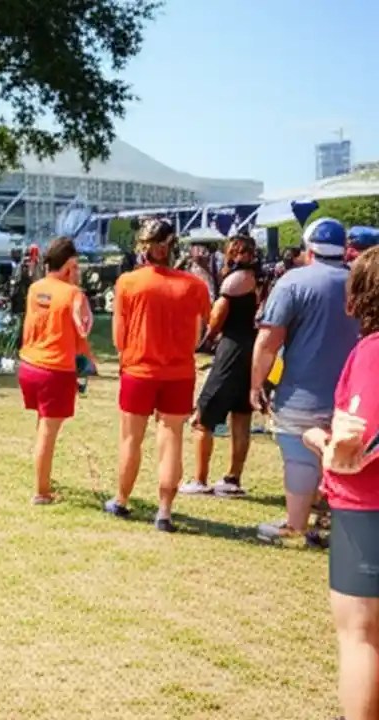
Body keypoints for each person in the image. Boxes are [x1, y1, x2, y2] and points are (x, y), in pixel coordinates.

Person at [303, 246, 379, 720]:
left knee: (361, 634)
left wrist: (320, 441)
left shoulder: (371, 353)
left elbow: (357, 443)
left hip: (366, 509)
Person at [252, 218, 359, 545]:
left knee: (299, 457)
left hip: (301, 392)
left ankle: (295, 524)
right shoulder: (358, 282)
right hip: (349, 394)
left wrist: (256, 384)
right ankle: (326, 522)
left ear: (308, 249)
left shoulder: (293, 282)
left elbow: (268, 341)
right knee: (340, 460)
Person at [107, 219, 212, 533]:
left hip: (138, 369)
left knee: (131, 439)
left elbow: (118, 337)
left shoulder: (128, 282)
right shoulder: (194, 285)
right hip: (179, 373)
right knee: (172, 440)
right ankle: (164, 511)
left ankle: (122, 499)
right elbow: (199, 333)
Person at [18, 237, 94, 505]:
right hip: (55, 370)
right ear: (69, 265)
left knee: (43, 426)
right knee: (48, 433)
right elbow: (82, 326)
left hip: (29, 365)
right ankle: (41, 491)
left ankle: (44, 477)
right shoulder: (74, 294)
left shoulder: (35, 288)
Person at [182, 235, 260, 496]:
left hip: (232, 349)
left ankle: (200, 479)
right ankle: (232, 479)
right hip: (252, 349)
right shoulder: (258, 279)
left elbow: (219, 312)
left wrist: (207, 338)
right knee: (241, 417)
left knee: (203, 417)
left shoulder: (236, 280)